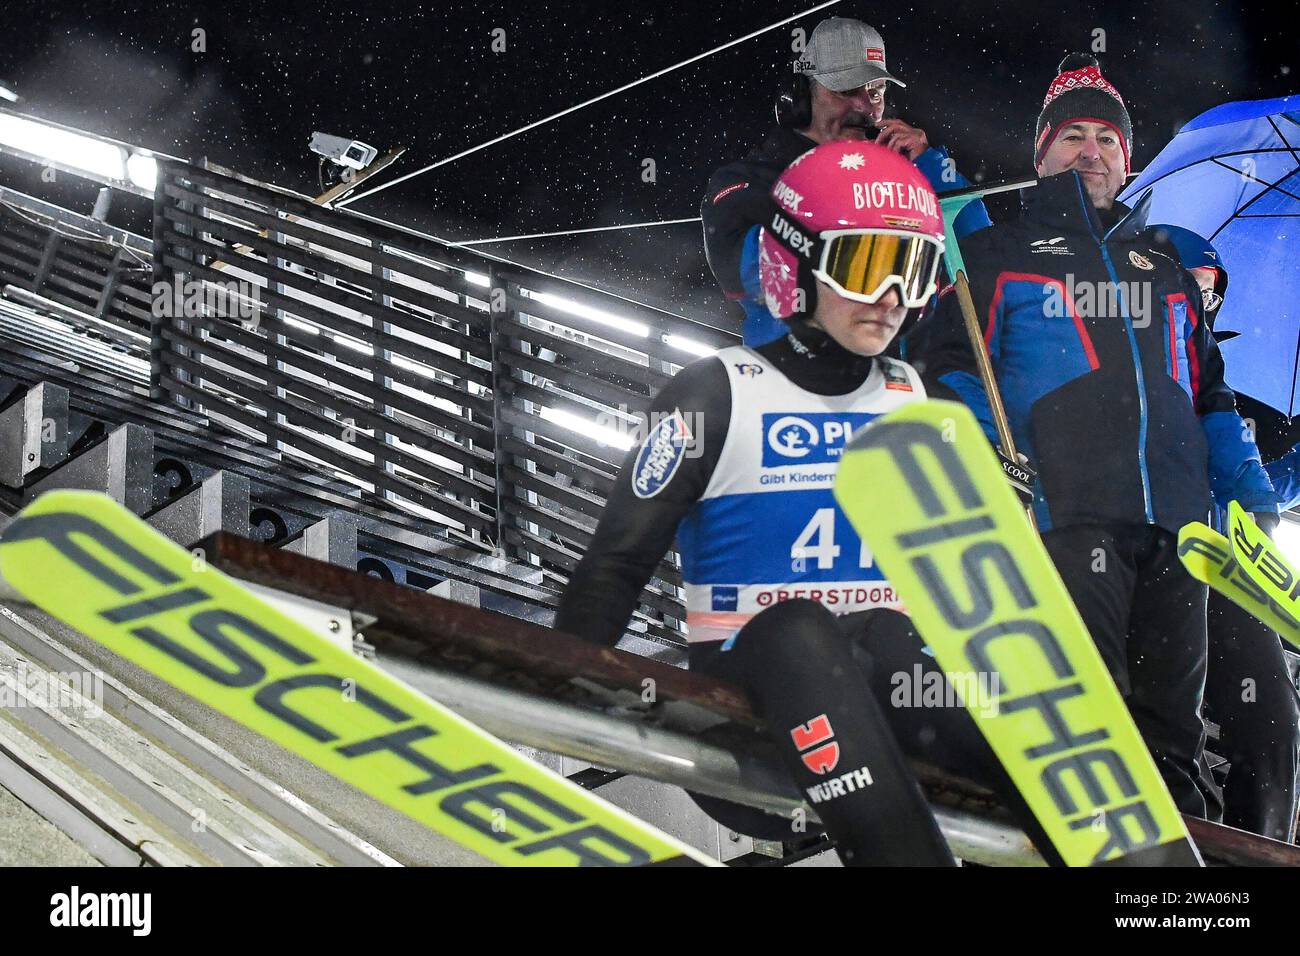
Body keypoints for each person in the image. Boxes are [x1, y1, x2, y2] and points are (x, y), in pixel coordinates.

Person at [556, 140, 1061, 866]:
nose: (890, 297)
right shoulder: (715, 393)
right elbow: (615, 565)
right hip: (746, 716)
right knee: (796, 628)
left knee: (894, 635)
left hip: (890, 717)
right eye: (863, 265)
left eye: (910, 269)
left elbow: (970, 586)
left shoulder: (917, 403)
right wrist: (566, 690)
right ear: (796, 261)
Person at [909, 54, 1281, 818]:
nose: (1090, 151)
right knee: (1077, 738)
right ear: (1040, 153)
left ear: (1127, 159)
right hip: (1063, 522)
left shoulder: (1165, 267)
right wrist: (987, 463)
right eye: (1071, 135)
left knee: (1168, 745)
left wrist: (1247, 492)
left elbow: (1209, 395)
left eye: (1106, 139)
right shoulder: (993, 254)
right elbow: (948, 370)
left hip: (1181, 537)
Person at [701, 16, 991, 347]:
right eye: (846, 91)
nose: (867, 107)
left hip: (902, 383)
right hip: (797, 380)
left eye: (876, 91)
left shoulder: (903, 179)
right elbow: (740, 274)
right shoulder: (747, 182)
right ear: (799, 98)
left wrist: (932, 168)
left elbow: (983, 253)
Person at [1160, 224, 1300, 841]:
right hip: (1129, 564)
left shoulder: (1230, 399)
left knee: (1272, 720)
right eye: (1183, 285)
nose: (1197, 301)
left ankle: (1254, 855)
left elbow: (1269, 482)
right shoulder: (1088, 366)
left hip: (1221, 574)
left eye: (1208, 290)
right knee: (1160, 723)